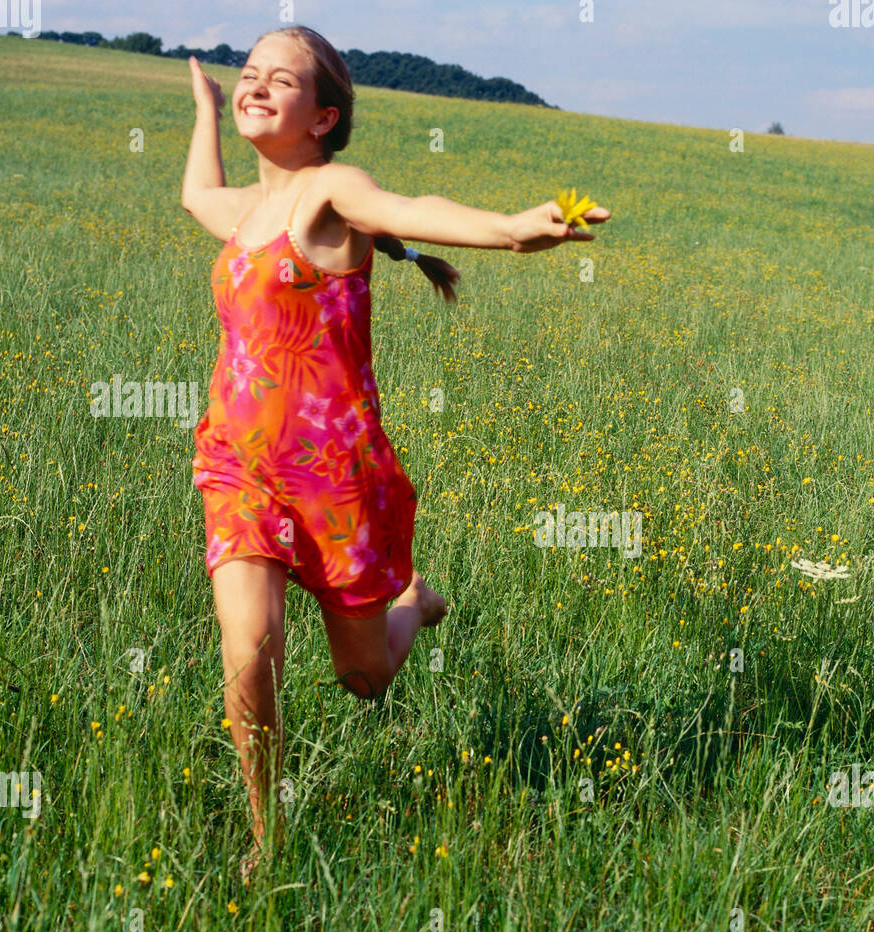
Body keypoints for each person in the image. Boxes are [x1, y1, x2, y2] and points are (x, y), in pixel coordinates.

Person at [180, 25, 609, 877]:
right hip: (239, 465)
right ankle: (269, 837)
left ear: (323, 115)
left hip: (337, 479)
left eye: (282, 81)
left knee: (365, 680)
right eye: (247, 75)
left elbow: (416, 214)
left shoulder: (332, 191)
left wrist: (519, 228)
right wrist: (200, 108)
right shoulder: (246, 212)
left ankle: (416, 602)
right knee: (248, 644)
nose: (255, 87)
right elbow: (199, 194)